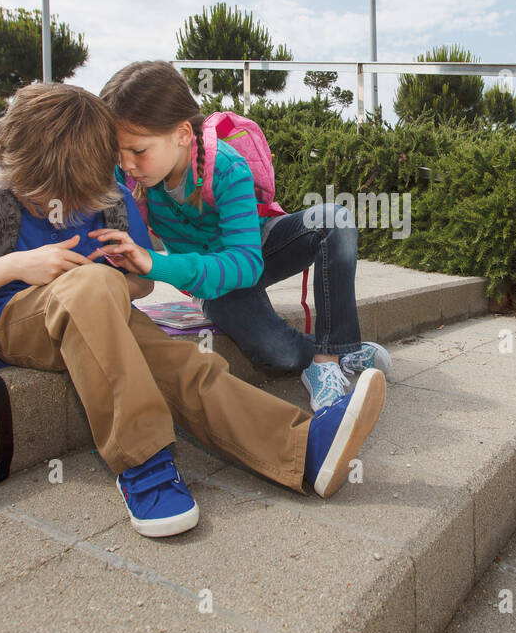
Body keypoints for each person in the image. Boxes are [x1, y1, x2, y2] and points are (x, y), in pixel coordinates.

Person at [0, 82, 385, 539]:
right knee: (91, 285)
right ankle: (143, 465)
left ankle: (302, 450)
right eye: (51, 193)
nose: (72, 204)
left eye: (82, 190)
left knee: (183, 363)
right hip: (12, 321)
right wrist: (22, 264)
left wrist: (126, 272)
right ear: (21, 165)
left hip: (97, 314)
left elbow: (140, 286)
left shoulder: (107, 193)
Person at [99, 60, 391, 413]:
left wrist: (156, 264)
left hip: (254, 250)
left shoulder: (225, 165)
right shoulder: (126, 179)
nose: (126, 164)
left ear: (181, 134)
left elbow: (246, 263)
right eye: (120, 151)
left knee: (335, 219)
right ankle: (343, 347)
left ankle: (329, 359)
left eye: (138, 151)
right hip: (212, 282)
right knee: (279, 354)